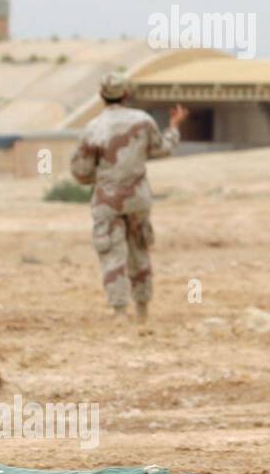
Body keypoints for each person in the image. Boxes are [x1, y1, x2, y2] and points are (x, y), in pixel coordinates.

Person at [69, 71, 189, 322]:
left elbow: (80, 172)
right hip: (137, 198)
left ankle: (120, 312)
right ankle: (143, 309)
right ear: (126, 94)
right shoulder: (143, 121)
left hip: (107, 200)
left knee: (112, 253)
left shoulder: (93, 128)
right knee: (139, 250)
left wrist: (103, 177)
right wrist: (174, 128)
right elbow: (162, 149)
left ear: (102, 96)